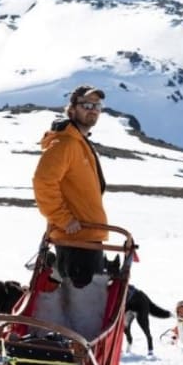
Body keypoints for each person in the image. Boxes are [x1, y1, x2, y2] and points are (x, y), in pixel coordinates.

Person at [33, 85, 109, 289]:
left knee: (87, 306)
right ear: (72, 109)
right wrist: (63, 218)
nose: (92, 109)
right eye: (86, 104)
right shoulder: (65, 143)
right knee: (80, 310)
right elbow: (43, 181)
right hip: (75, 240)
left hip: (88, 237)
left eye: (97, 105)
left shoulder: (78, 142)